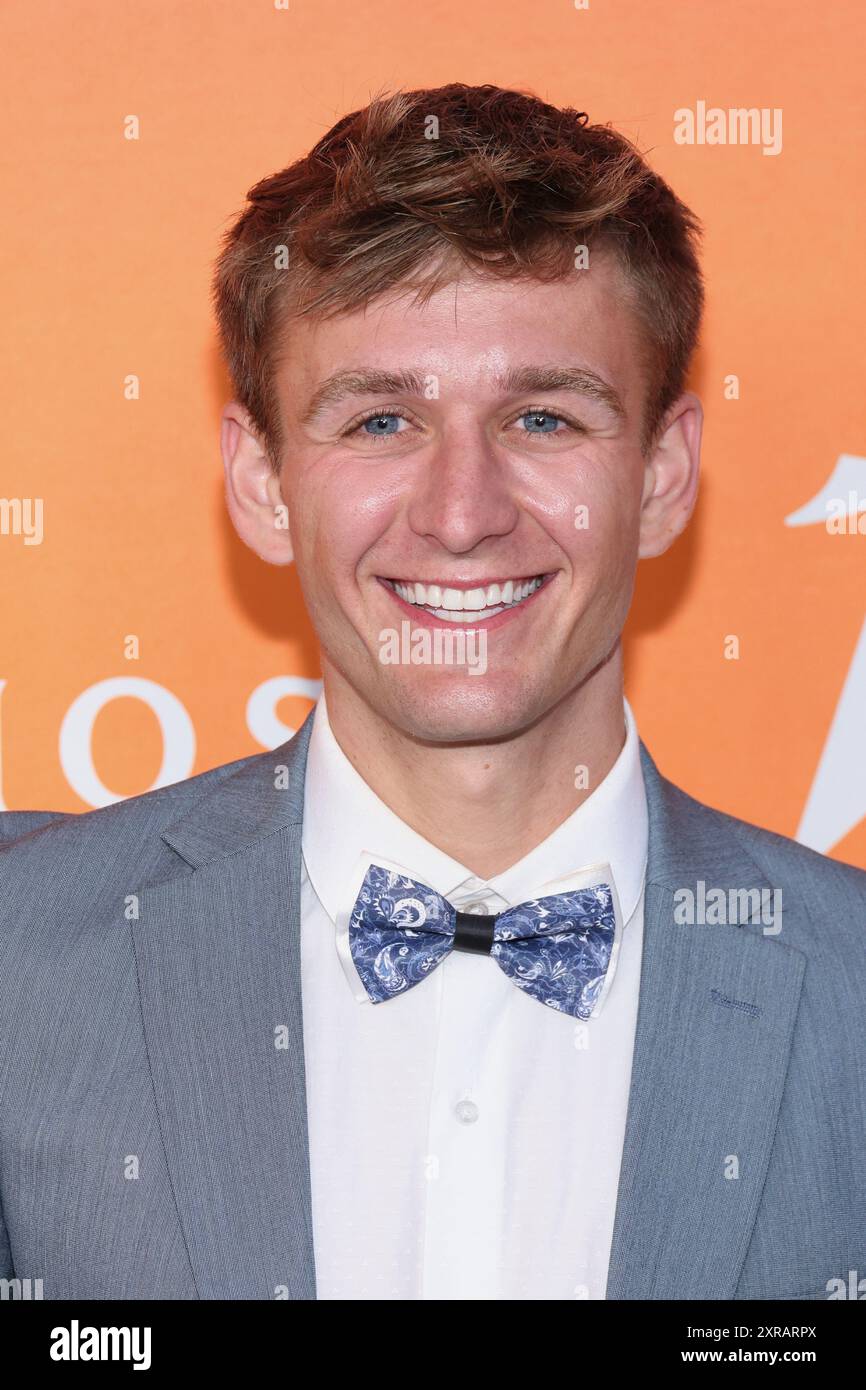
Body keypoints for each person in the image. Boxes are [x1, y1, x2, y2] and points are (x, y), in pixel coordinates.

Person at [1, 84, 863, 1302]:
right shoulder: (17, 959)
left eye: (543, 416)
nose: (463, 514)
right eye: (382, 419)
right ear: (259, 481)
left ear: (662, 475)